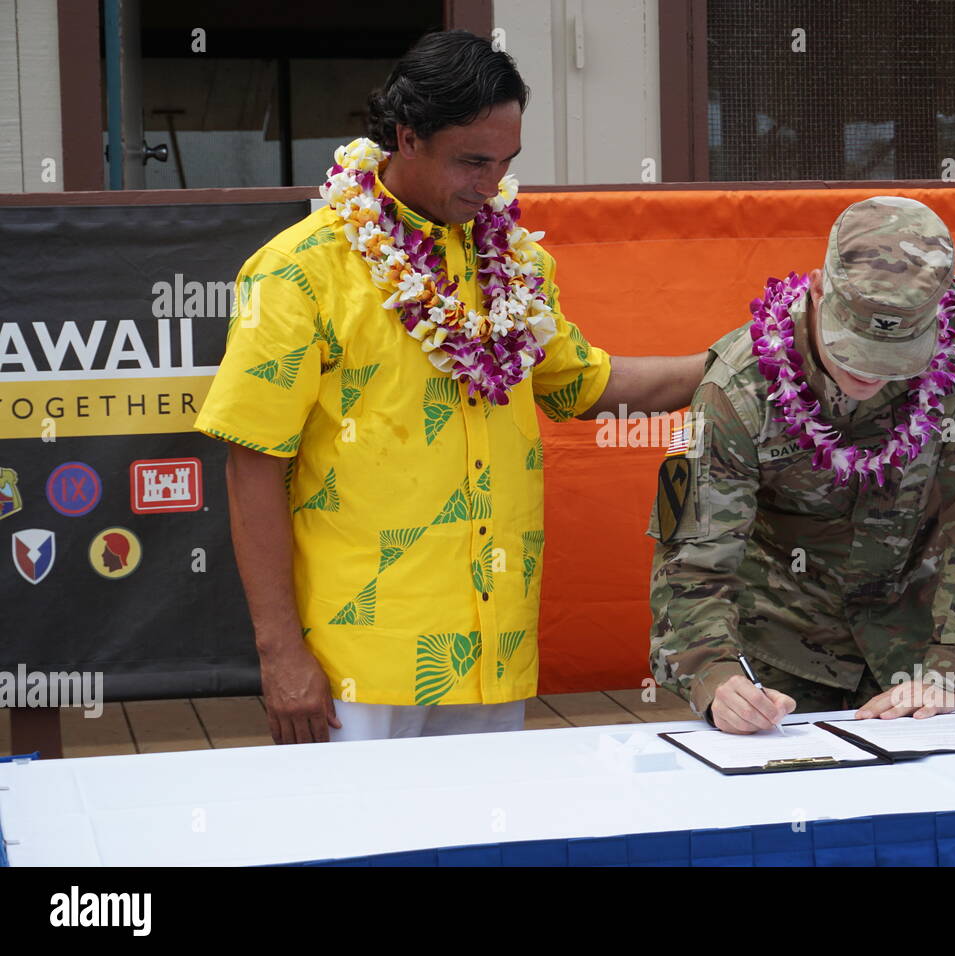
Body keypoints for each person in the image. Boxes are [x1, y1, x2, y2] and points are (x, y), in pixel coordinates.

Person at [195, 30, 705, 745]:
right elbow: (252, 460)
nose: (492, 183)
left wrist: (732, 362)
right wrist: (281, 655)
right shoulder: (299, 270)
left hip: (492, 652)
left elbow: (584, 385)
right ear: (406, 137)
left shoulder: (515, 262)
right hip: (360, 663)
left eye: (506, 162)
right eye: (472, 161)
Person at [647, 196, 955, 735]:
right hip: (782, 647)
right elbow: (694, 562)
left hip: (919, 638)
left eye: (895, 357)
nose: (872, 375)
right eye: (852, 351)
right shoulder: (737, 389)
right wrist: (713, 676)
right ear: (817, 290)